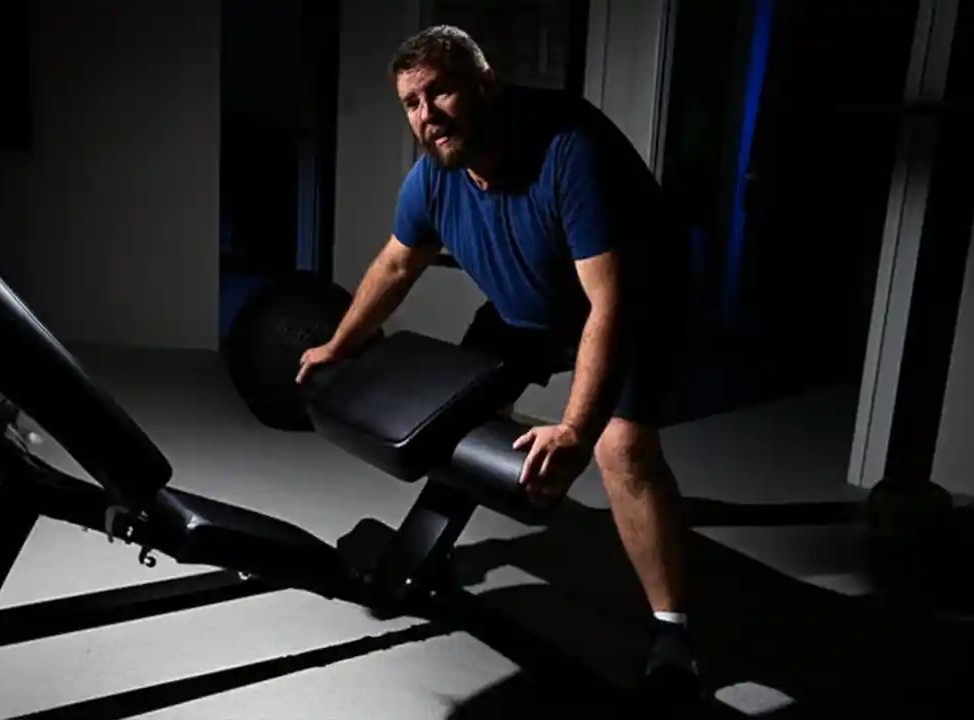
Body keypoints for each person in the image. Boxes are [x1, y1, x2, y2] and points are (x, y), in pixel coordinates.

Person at [296, 25, 702, 697]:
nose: (427, 116)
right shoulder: (434, 176)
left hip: (631, 310)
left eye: (440, 92)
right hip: (525, 313)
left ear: (486, 84)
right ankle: (425, 555)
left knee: (623, 451)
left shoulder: (571, 150)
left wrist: (575, 431)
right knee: (455, 415)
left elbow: (608, 305)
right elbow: (396, 264)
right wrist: (340, 344)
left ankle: (674, 633)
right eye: (411, 103)